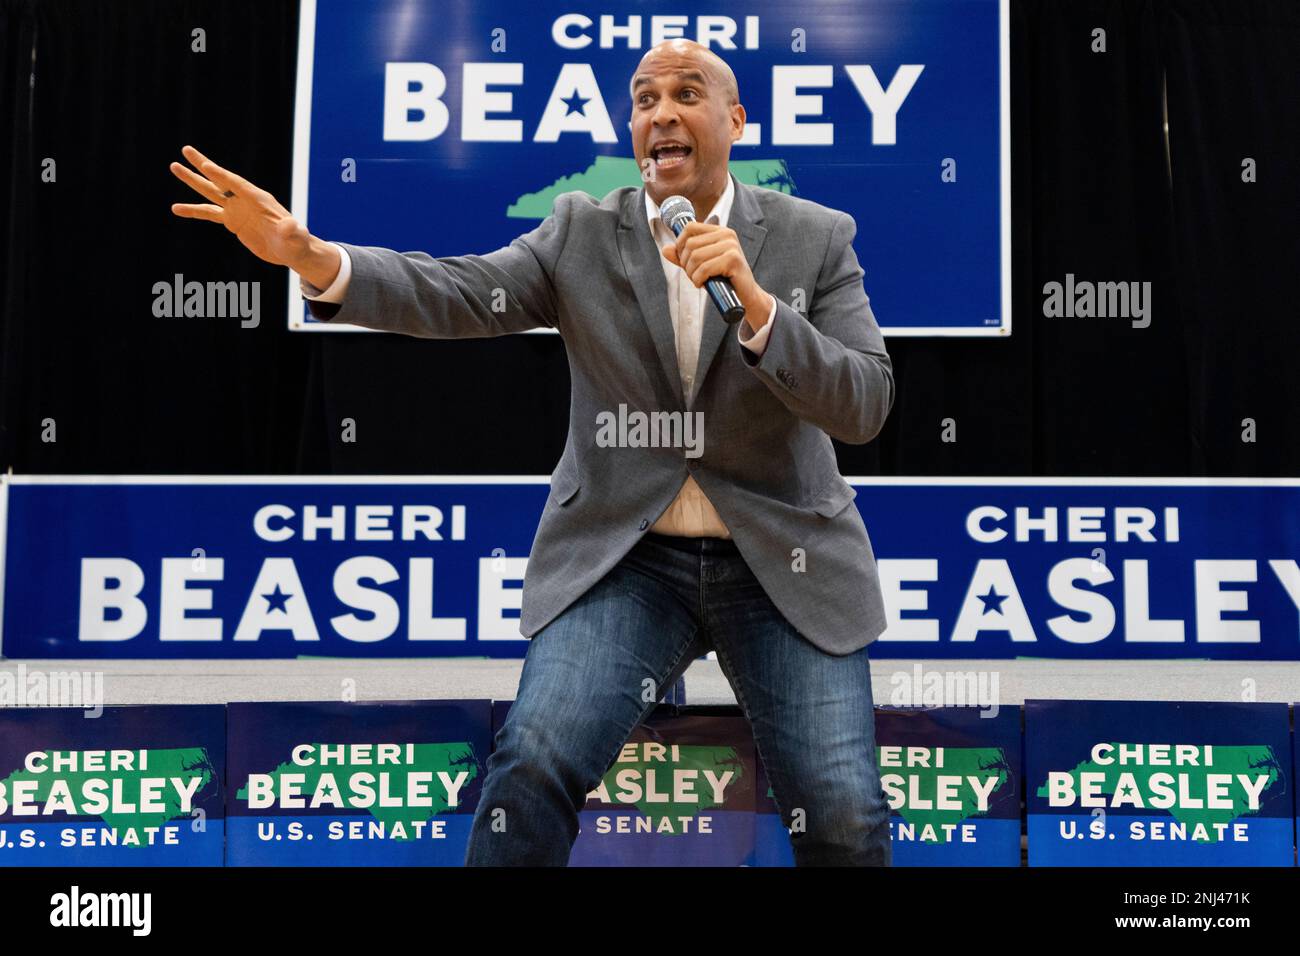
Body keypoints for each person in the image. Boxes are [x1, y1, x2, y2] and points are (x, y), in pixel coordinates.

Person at [171, 38, 895, 866]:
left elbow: (865, 404)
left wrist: (763, 310)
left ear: (735, 120)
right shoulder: (581, 231)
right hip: (630, 559)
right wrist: (314, 258)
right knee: (532, 762)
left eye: (687, 94)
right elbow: (455, 292)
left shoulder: (816, 238)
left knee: (841, 811)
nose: (660, 112)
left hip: (784, 559)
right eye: (643, 98)